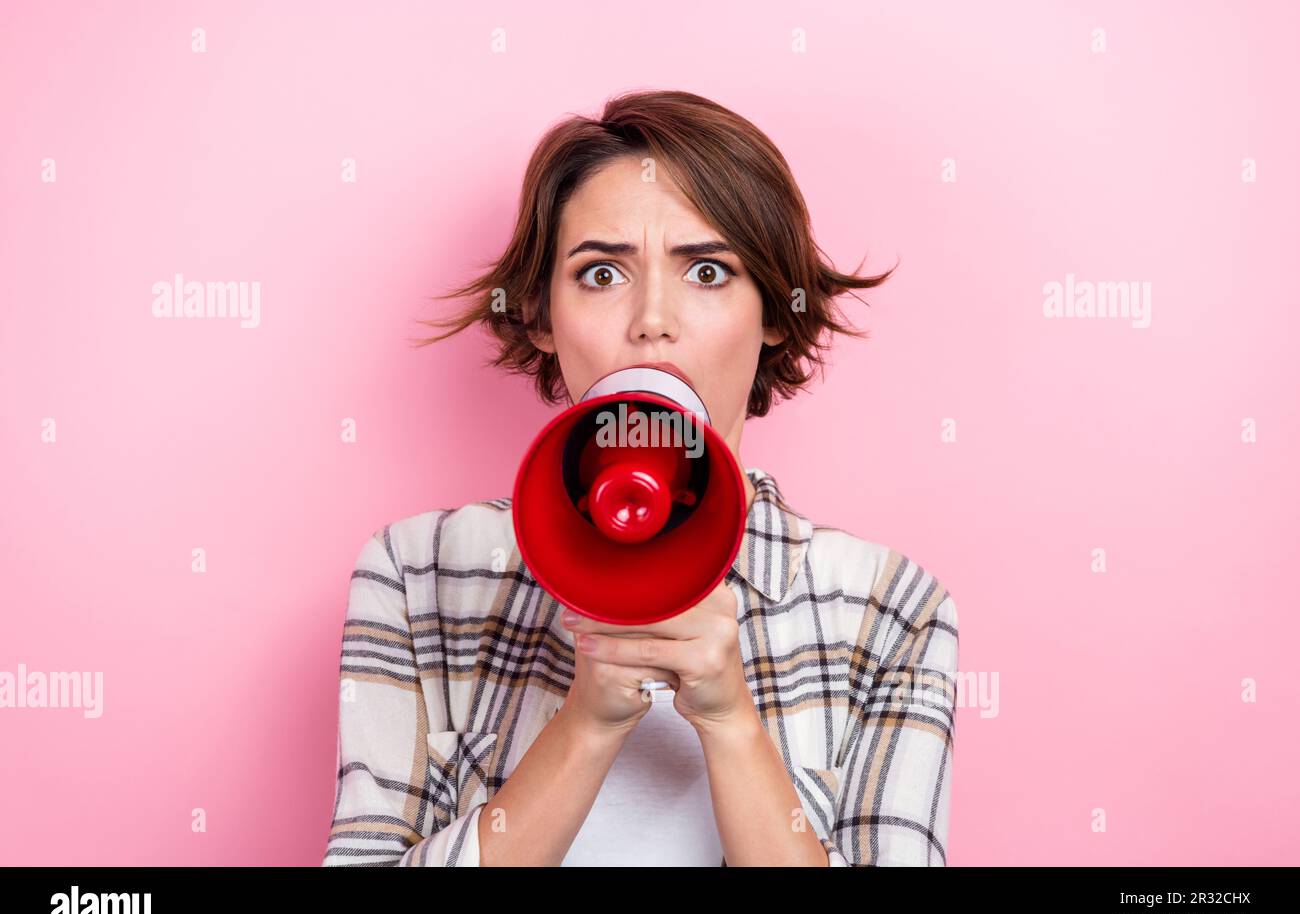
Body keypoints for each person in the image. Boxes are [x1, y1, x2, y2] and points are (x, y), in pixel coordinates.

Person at [322, 89, 959, 867]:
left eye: (707, 270)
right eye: (600, 275)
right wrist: (585, 725)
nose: (652, 319)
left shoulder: (891, 613)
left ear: (772, 312)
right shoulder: (417, 576)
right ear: (541, 318)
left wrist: (731, 724)